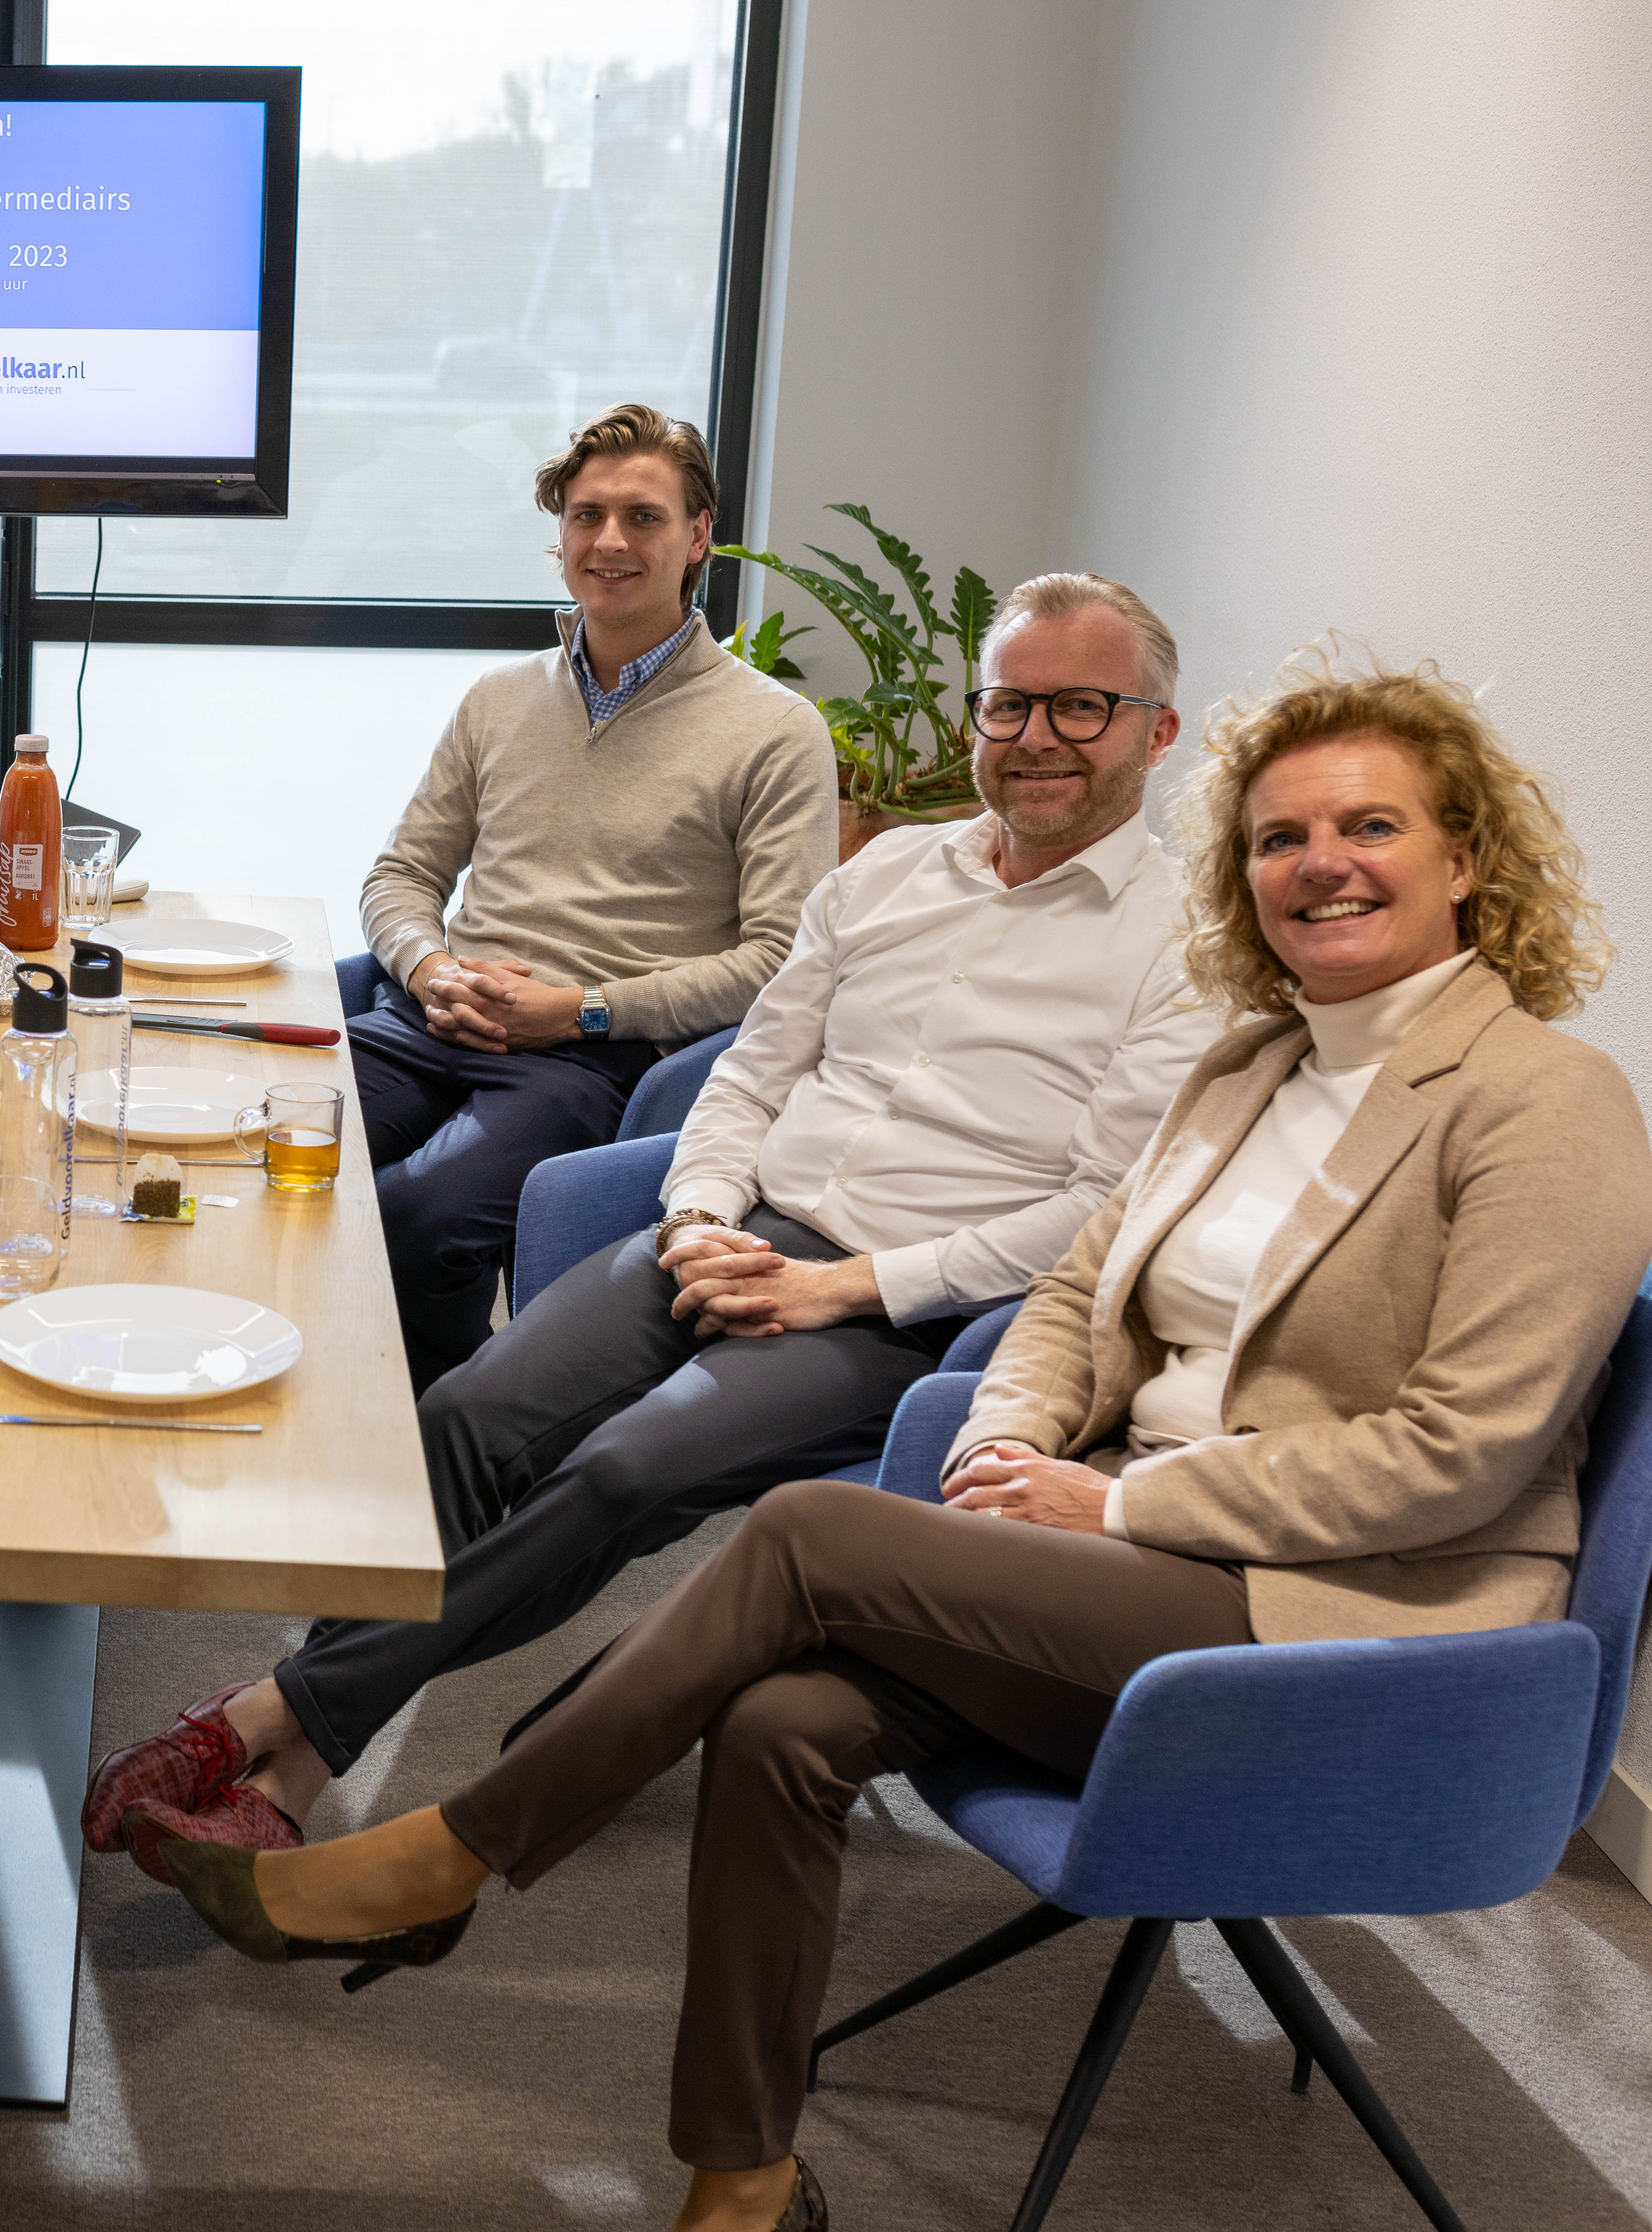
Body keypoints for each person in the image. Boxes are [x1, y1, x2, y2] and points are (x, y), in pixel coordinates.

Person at [124, 652, 1651, 2232]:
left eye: (1367, 825)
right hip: (1119, 1534)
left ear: (1466, 854)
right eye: (1278, 836)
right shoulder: (1251, 1064)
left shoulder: (1545, 1101)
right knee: (785, 1716)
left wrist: (1120, 1503)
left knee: (800, 1534)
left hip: (1343, 1617)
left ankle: (446, 1849)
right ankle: (743, 2176)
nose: (1315, 863)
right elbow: (1075, 1292)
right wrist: (1006, 1439)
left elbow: (1454, 1454)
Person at [91, 573, 1220, 1866]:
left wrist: (837, 1291)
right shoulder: (892, 872)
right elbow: (750, 1070)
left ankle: (257, 1719)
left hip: (905, 1311)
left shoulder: (1184, 944)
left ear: (1156, 730)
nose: (1034, 739)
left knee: (624, 1471)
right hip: (733, 1228)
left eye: (1081, 708)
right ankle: (287, 1780)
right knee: (466, 1419)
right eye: (1011, 705)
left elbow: (1095, 1213)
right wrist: (693, 1213)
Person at [353, 404, 838, 1390]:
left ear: (698, 535)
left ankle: (427, 1438)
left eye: (643, 517)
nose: (610, 541)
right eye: (587, 515)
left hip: (586, 1057)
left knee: (418, 1217)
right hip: (433, 1017)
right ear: (560, 536)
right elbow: (401, 876)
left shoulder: (774, 730)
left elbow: (780, 961)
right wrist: (431, 965)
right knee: (268, 1141)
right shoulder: (499, 699)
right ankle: (343, 1395)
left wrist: (579, 1009)